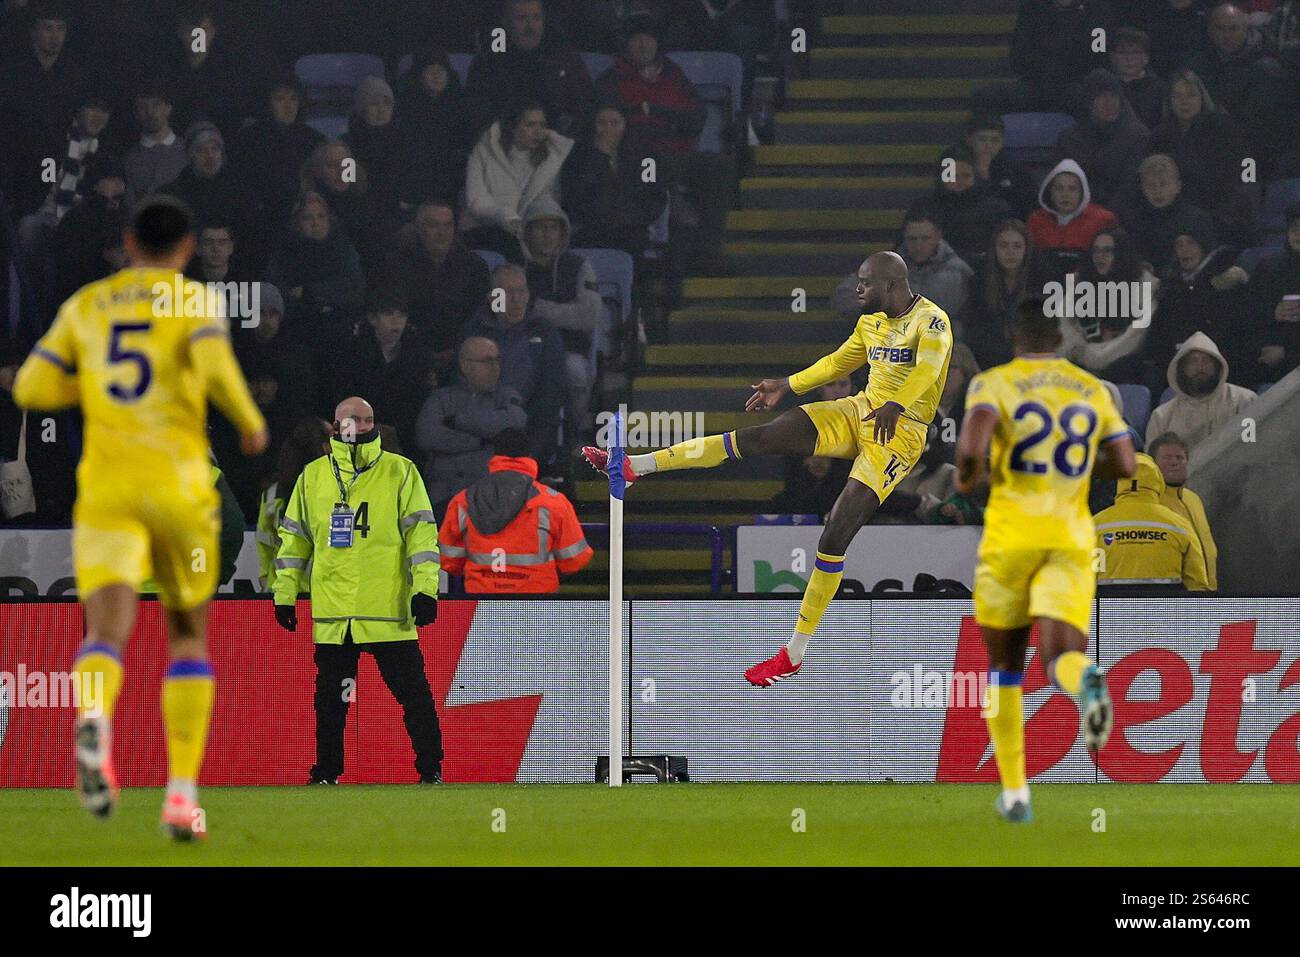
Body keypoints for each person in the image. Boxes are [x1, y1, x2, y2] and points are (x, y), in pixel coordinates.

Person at [10, 196, 269, 836]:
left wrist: (87, 389)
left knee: (105, 633)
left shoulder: (88, 304)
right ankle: (181, 797)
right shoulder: (193, 304)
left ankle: (94, 720)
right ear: (185, 250)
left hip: (106, 490)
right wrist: (250, 422)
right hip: (178, 488)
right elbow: (218, 374)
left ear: (128, 243)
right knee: (187, 639)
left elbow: (30, 390)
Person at [583, 251, 954, 686]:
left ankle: (794, 652)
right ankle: (633, 467)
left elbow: (928, 370)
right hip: (862, 410)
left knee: (835, 530)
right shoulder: (869, 323)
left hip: (901, 429)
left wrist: (895, 403)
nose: (857, 290)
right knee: (763, 436)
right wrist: (786, 383)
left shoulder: (932, 321)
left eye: (865, 283)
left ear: (891, 286)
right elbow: (837, 363)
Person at [952, 297, 1137, 823]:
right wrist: (1074, 470)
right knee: (1059, 658)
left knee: (1006, 668)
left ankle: (1015, 794)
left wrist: (969, 481)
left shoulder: (993, 383)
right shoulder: (1093, 389)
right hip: (1071, 536)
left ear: (1014, 337)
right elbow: (1125, 461)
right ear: (1059, 340)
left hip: (1013, 535)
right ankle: (1088, 681)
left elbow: (970, 450)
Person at [272, 396, 443, 785]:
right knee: (330, 702)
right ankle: (326, 772)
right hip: (335, 611)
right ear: (334, 427)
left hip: (387, 607)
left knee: (414, 696)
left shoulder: (400, 472)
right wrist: (284, 594)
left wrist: (426, 591)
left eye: (368, 419)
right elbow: (294, 541)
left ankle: (431, 769)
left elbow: (422, 536)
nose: (361, 427)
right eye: (353, 420)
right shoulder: (313, 476)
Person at [439, 428, 592, 593]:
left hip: (481, 608)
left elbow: (448, 561)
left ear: (494, 457)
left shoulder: (463, 501)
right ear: (529, 457)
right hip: (538, 608)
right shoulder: (553, 502)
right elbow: (575, 561)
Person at [514, 198, 603, 442]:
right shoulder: (514, 269)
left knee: (574, 371)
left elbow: (588, 316)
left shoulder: (578, 266)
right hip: (523, 348)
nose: (548, 235)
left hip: (569, 349)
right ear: (527, 232)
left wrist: (540, 309)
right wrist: (563, 312)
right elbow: (506, 313)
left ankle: (575, 432)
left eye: (554, 228)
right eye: (540, 228)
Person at [461, 264, 566, 469]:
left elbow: (551, 393)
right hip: (480, 429)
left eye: (521, 291)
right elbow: (462, 385)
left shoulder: (545, 332)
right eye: (508, 292)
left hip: (530, 428)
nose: (516, 300)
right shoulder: (473, 330)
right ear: (492, 297)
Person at [414, 336, 527, 514]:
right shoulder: (442, 398)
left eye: (497, 360)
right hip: (444, 495)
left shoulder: (507, 397)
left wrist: (459, 421)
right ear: (465, 366)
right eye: (487, 361)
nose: (495, 367)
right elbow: (428, 436)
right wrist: (480, 441)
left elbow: (515, 421)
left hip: (491, 499)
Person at [387, 201, 492, 382]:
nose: (442, 233)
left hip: (465, 355)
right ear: (418, 228)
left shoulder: (475, 267)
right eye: (433, 225)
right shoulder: (396, 266)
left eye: (447, 225)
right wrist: (424, 353)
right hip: (409, 356)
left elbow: (484, 315)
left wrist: (460, 348)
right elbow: (392, 315)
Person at [463, 0, 596, 140]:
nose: (530, 27)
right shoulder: (488, 63)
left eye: (536, 18)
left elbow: (585, 109)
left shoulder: (565, 60)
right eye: (521, 19)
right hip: (505, 149)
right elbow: (478, 115)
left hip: (558, 148)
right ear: (506, 23)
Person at [461, 101, 574, 257]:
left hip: (528, 236)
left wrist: (551, 135)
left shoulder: (549, 159)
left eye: (542, 125)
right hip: (484, 230)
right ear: (513, 127)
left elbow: (549, 200)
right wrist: (506, 216)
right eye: (530, 125)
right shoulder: (483, 151)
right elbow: (476, 201)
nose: (538, 131)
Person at [1094, 452, 1211, 591]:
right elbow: (1197, 584)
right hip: (1165, 611)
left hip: (1109, 612)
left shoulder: (1095, 525)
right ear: (1157, 482)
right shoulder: (1179, 525)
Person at [833, 211, 972, 322]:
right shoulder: (884, 265)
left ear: (938, 236)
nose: (918, 246)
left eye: (925, 238)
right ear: (904, 238)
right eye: (912, 239)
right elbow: (843, 297)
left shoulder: (958, 271)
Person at [1145, 331, 1257, 452]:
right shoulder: (1162, 416)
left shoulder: (1244, 400)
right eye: (1193, 361)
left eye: (1206, 360)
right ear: (1181, 368)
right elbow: (1154, 462)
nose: (1200, 367)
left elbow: (1252, 448)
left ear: (1217, 365)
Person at [1055, 68, 1150, 210]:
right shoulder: (1068, 140)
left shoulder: (1136, 137)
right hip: (1078, 216)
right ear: (1089, 101)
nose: (1109, 103)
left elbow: (1129, 189)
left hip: (1120, 219)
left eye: (1114, 96)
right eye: (1102, 96)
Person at [256, 417, 331, 593]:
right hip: (320, 598)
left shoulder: (272, 494)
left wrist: (268, 585)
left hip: (281, 593)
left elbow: (264, 545)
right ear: (325, 447)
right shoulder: (334, 491)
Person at [1026, 159, 1119, 282]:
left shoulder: (1103, 220)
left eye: (1072, 189)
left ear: (1083, 192)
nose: (1065, 195)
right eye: (1059, 188)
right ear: (1050, 192)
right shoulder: (1036, 220)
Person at [1148, 431, 1219, 589]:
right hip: (1176, 597)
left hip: (1208, 594)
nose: (1175, 462)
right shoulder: (1151, 501)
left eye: (1180, 457)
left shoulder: (1194, 499)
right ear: (1153, 464)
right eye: (1166, 457)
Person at [1243, 202, 1300, 388]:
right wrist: (1272, 312)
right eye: (1295, 227)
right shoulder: (1268, 268)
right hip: (1265, 350)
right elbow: (1245, 315)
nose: (1298, 234)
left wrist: (1287, 352)